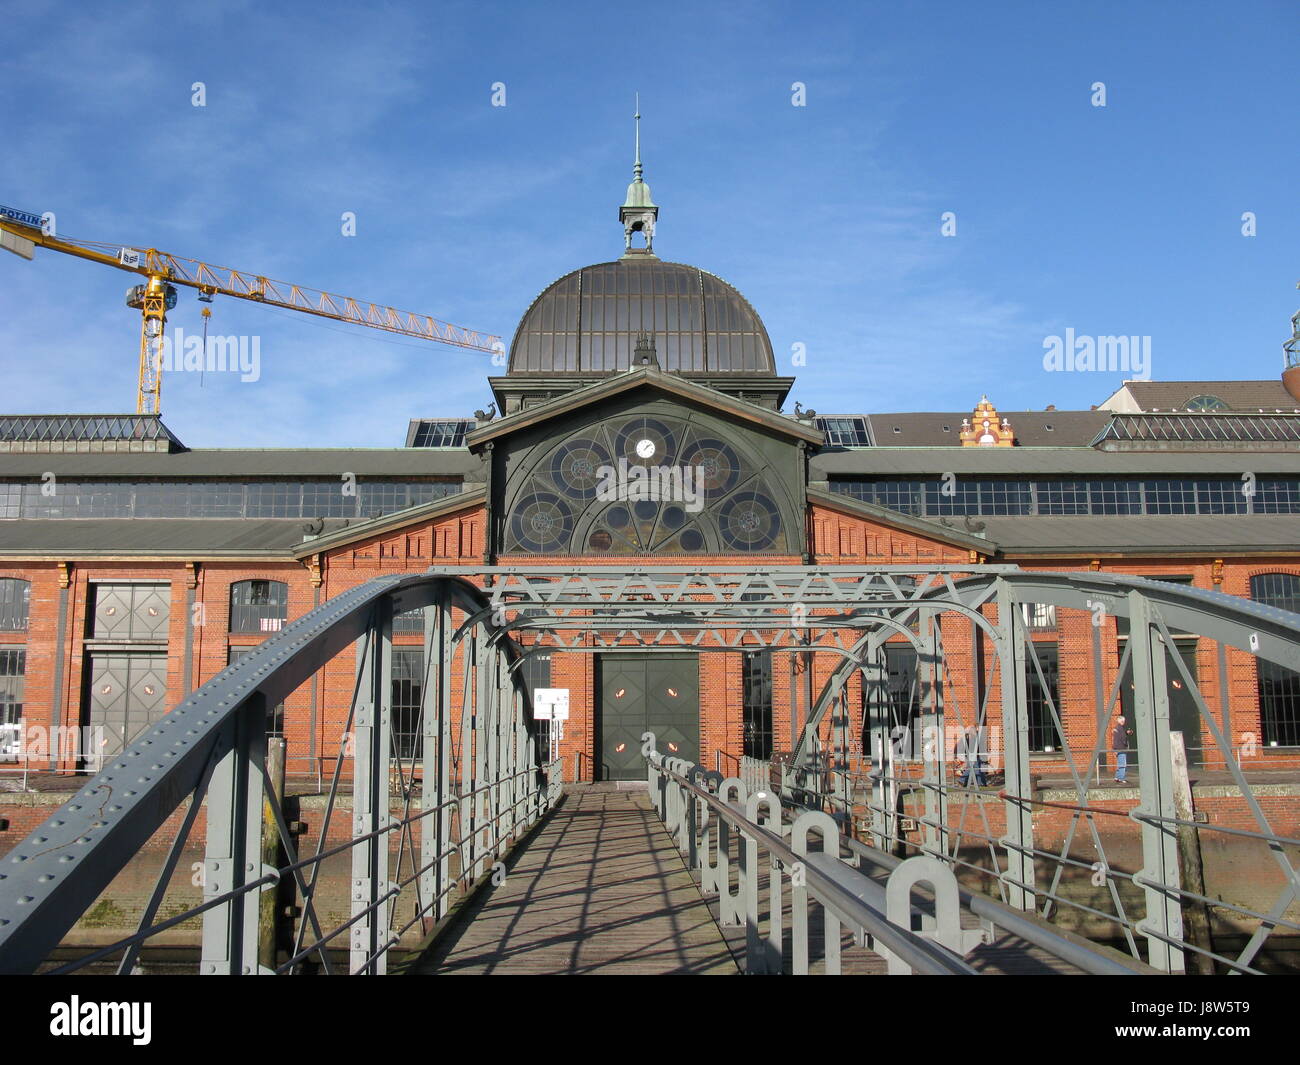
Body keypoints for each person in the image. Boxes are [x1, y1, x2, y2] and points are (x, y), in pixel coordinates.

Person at [1111, 715, 1130, 783]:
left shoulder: (1118, 728)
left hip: (1118, 748)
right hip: (1121, 748)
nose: (1124, 722)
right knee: (1122, 764)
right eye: (1123, 721)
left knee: (1120, 763)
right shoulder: (1120, 728)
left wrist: (1126, 733)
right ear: (1121, 721)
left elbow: (1118, 738)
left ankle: (1117, 777)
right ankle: (1122, 778)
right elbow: (1121, 739)